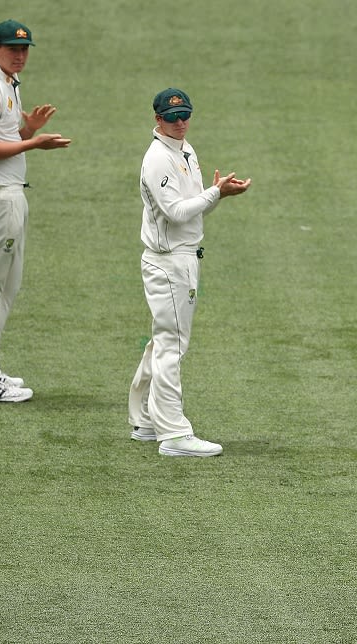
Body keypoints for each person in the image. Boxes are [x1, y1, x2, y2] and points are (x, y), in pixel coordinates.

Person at [127, 88, 251, 457]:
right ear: (157, 119)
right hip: (169, 262)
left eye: (184, 116)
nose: (180, 123)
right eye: (171, 117)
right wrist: (216, 193)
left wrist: (216, 194)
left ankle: (146, 420)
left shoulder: (185, 149)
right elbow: (176, 213)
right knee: (171, 346)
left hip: (182, 257)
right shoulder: (157, 160)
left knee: (163, 341)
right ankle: (174, 434)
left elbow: (193, 209)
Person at [0, 19, 71, 402]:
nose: (19, 55)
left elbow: (1, 140)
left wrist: (25, 132)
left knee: (4, 288)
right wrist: (33, 143)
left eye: (24, 49)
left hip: (7, 196)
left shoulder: (6, 83)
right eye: (12, 48)